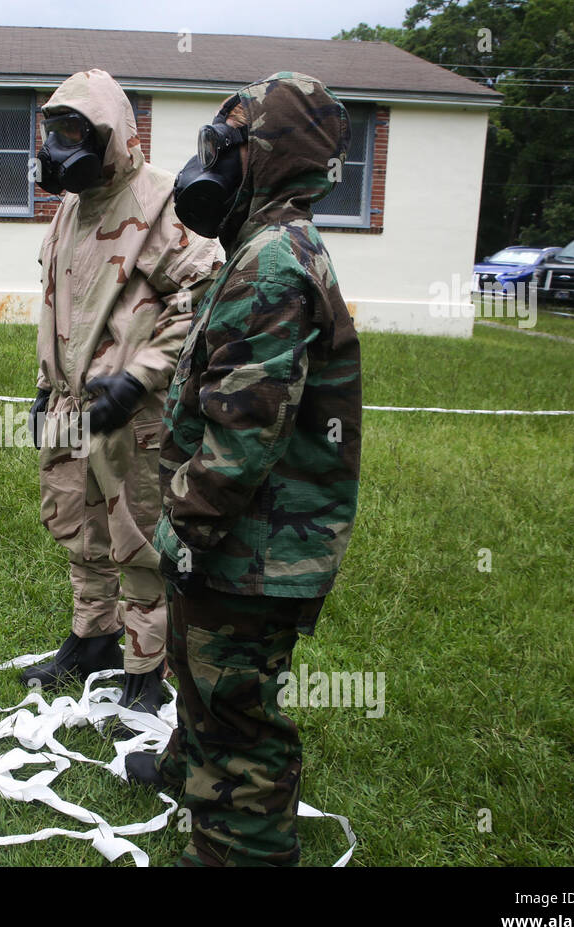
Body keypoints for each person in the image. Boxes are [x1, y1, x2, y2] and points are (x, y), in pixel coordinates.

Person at [126, 73, 362, 866]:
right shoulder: (261, 249)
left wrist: (181, 530)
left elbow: (241, 439)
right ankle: (194, 774)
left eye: (222, 148)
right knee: (204, 680)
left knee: (238, 713)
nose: (206, 166)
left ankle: (240, 847)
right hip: (240, 544)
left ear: (265, 158)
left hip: (251, 551)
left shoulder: (272, 265)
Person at [20, 69, 224, 720]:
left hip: (132, 411)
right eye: (52, 132)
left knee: (134, 539)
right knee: (81, 534)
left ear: (109, 136)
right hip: (70, 405)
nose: (57, 147)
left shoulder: (161, 201)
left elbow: (201, 300)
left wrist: (140, 376)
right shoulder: (71, 210)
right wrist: (43, 390)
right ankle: (92, 639)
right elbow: (60, 310)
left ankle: (145, 668)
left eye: (72, 132)